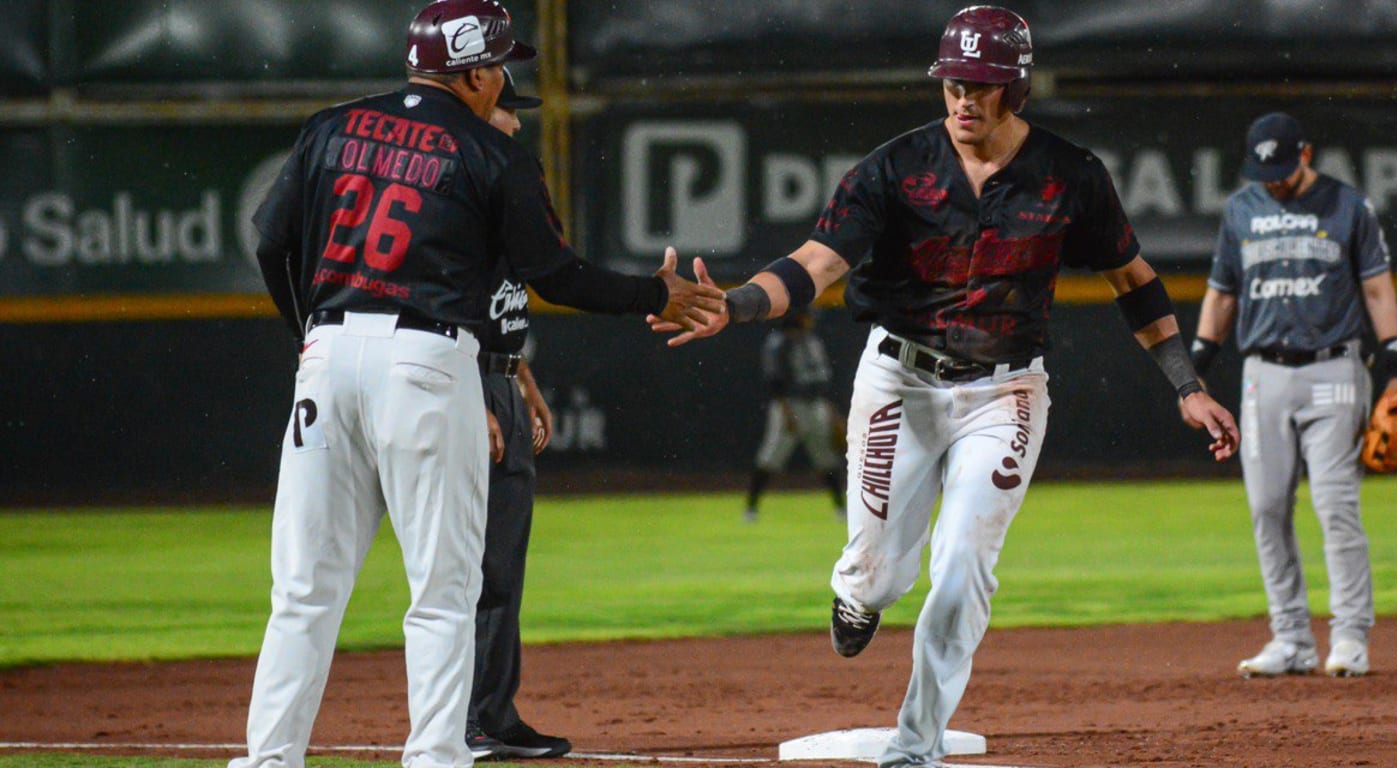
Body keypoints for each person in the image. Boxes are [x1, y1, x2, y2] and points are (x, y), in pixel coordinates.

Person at [650, 7, 1239, 767]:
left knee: (962, 569)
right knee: (879, 568)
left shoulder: (1070, 175)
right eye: (955, 83)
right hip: (899, 378)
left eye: (983, 86)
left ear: (1015, 90)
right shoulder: (895, 169)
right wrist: (734, 304)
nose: (964, 99)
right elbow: (816, 263)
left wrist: (1187, 386)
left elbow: (1136, 280)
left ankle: (914, 745)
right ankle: (858, 590)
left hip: (1007, 392)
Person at [235, 1, 722, 765]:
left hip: (325, 357)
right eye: (499, 66)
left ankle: (267, 759)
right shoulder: (487, 153)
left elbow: (271, 245)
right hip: (426, 364)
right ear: (472, 72)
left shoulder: (331, 127)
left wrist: (307, 331)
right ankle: (434, 757)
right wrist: (654, 294)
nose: (503, 81)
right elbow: (556, 276)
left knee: (303, 591)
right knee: (442, 593)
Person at [1188, 112, 1397, 679]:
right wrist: (1194, 370)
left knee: (1335, 506)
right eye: (1265, 170)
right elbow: (1221, 296)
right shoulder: (1241, 210)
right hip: (1262, 373)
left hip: (1333, 371)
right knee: (1267, 508)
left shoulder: (1348, 206)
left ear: (1306, 154)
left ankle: (1350, 637)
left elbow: (1376, 287)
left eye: (1284, 169)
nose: (1274, 180)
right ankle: (1290, 638)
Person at [463, 89, 569, 761]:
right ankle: (468, 720)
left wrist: (523, 384)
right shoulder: (459, 195)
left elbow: (500, 310)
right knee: (473, 568)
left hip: (498, 375)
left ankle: (492, 715)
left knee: (500, 567)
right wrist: (472, 394)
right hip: (459, 377)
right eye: (507, 110)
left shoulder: (504, 192)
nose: (517, 121)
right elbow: (443, 306)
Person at [743, 307, 847, 523]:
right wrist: (786, 411)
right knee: (770, 456)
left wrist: (831, 410)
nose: (810, 321)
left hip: (816, 404)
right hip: (789, 404)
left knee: (826, 456)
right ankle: (751, 508)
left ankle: (841, 509)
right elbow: (774, 382)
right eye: (806, 316)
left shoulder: (812, 341)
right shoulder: (779, 343)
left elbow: (821, 380)